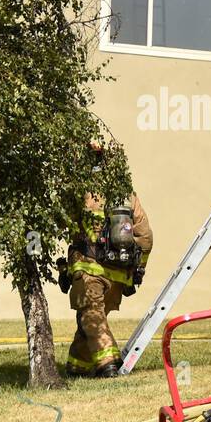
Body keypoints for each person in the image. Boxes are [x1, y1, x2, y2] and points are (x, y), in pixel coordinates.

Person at [63, 142, 152, 378]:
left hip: (88, 268)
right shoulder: (127, 194)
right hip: (119, 274)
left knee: (91, 316)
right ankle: (77, 368)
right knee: (91, 320)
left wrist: (64, 268)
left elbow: (61, 227)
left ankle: (109, 364)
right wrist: (137, 272)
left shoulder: (80, 191)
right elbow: (146, 237)